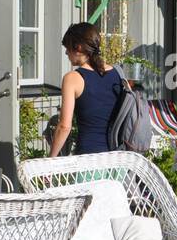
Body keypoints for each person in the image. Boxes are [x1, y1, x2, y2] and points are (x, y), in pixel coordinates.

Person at [49, 22, 126, 157]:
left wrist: (50, 159)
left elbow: (64, 126)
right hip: (117, 158)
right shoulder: (117, 73)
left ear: (78, 48)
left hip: (88, 158)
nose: (66, 52)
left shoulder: (72, 78)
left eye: (67, 48)